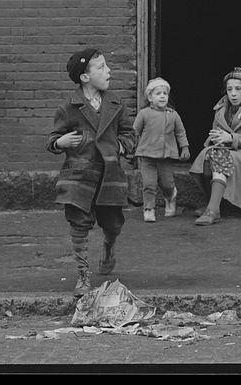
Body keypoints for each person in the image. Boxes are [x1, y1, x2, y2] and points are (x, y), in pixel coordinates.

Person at [47, 48, 137, 298]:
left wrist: (119, 147)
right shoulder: (69, 108)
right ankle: (83, 274)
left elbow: (130, 134)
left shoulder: (116, 104)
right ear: (85, 77)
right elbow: (52, 138)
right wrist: (60, 142)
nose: (109, 71)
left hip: (110, 175)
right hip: (79, 175)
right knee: (79, 224)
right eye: (101, 67)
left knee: (113, 224)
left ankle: (109, 246)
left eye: (107, 66)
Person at [189, 67, 241, 226]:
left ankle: (213, 211)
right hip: (228, 149)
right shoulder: (221, 108)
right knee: (207, 156)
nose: (233, 94)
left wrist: (231, 138)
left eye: (238, 89)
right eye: (229, 89)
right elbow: (216, 131)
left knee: (219, 156)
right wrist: (216, 139)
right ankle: (215, 203)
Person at [133, 77, 190, 222]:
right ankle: (149, 209)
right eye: (158, 93)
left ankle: (170, 197)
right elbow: (134, 132)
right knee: (149, 184)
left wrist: (184, 147)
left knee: (167, 184)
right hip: (147, 156)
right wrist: (131, 148)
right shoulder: (144, 114)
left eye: (165, 93)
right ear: (150, 98)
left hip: (165, 157)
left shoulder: (173, 115)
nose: (162, 96)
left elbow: (180, 132)